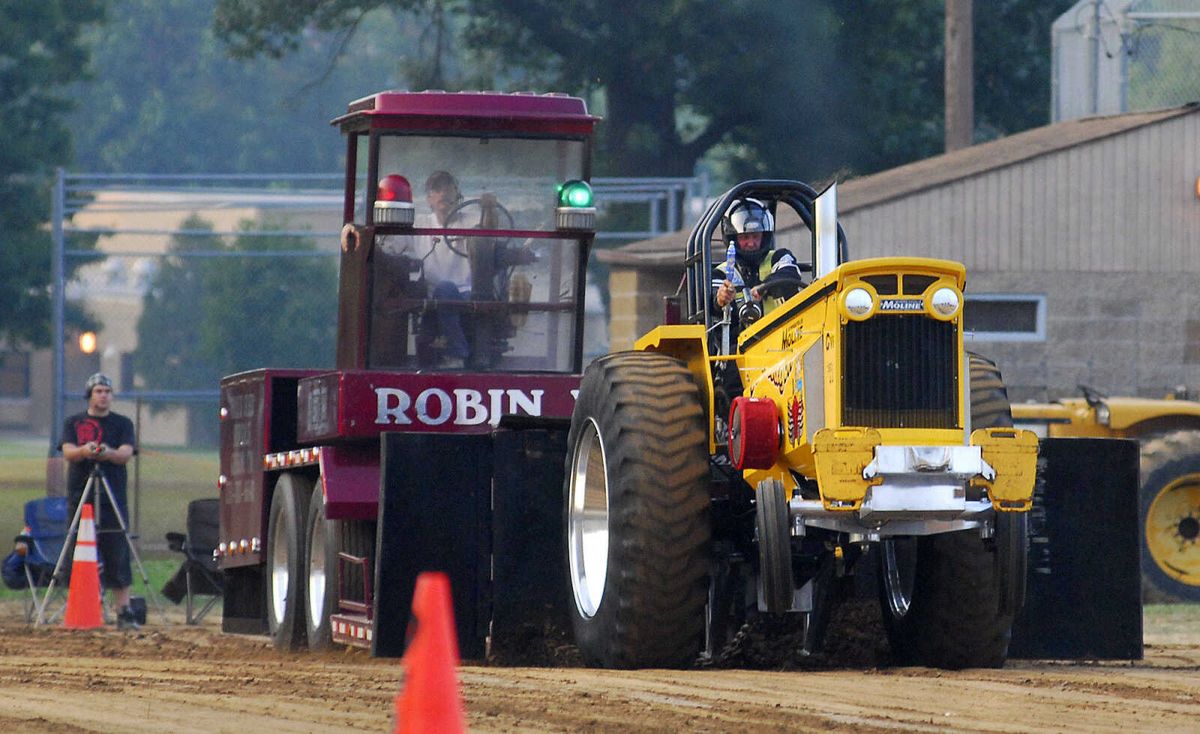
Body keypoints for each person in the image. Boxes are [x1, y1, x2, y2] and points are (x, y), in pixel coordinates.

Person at [59, 373, 139, 630]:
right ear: (89, 395)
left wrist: (108, 452)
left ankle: (123, 610)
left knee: (117, 550)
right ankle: (80, 605)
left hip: (112, 495)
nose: (103, 396)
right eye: (98, 391)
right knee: (78, 549)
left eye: (107, 391)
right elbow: (69, 451)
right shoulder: (74, 422)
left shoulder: (123, 424)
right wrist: (86, 451)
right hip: (81, 496)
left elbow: (125, 454)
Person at [711, 197, 805, 328]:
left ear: (764, 236)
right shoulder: (720, 273)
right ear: (733, 238)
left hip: (782, 341)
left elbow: (789, 275)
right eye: (745, 237)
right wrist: (721, 299)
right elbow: (711, 301)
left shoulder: (779, 257)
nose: (751, 243)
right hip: (736, 345)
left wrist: (764, 288)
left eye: (756, 236)